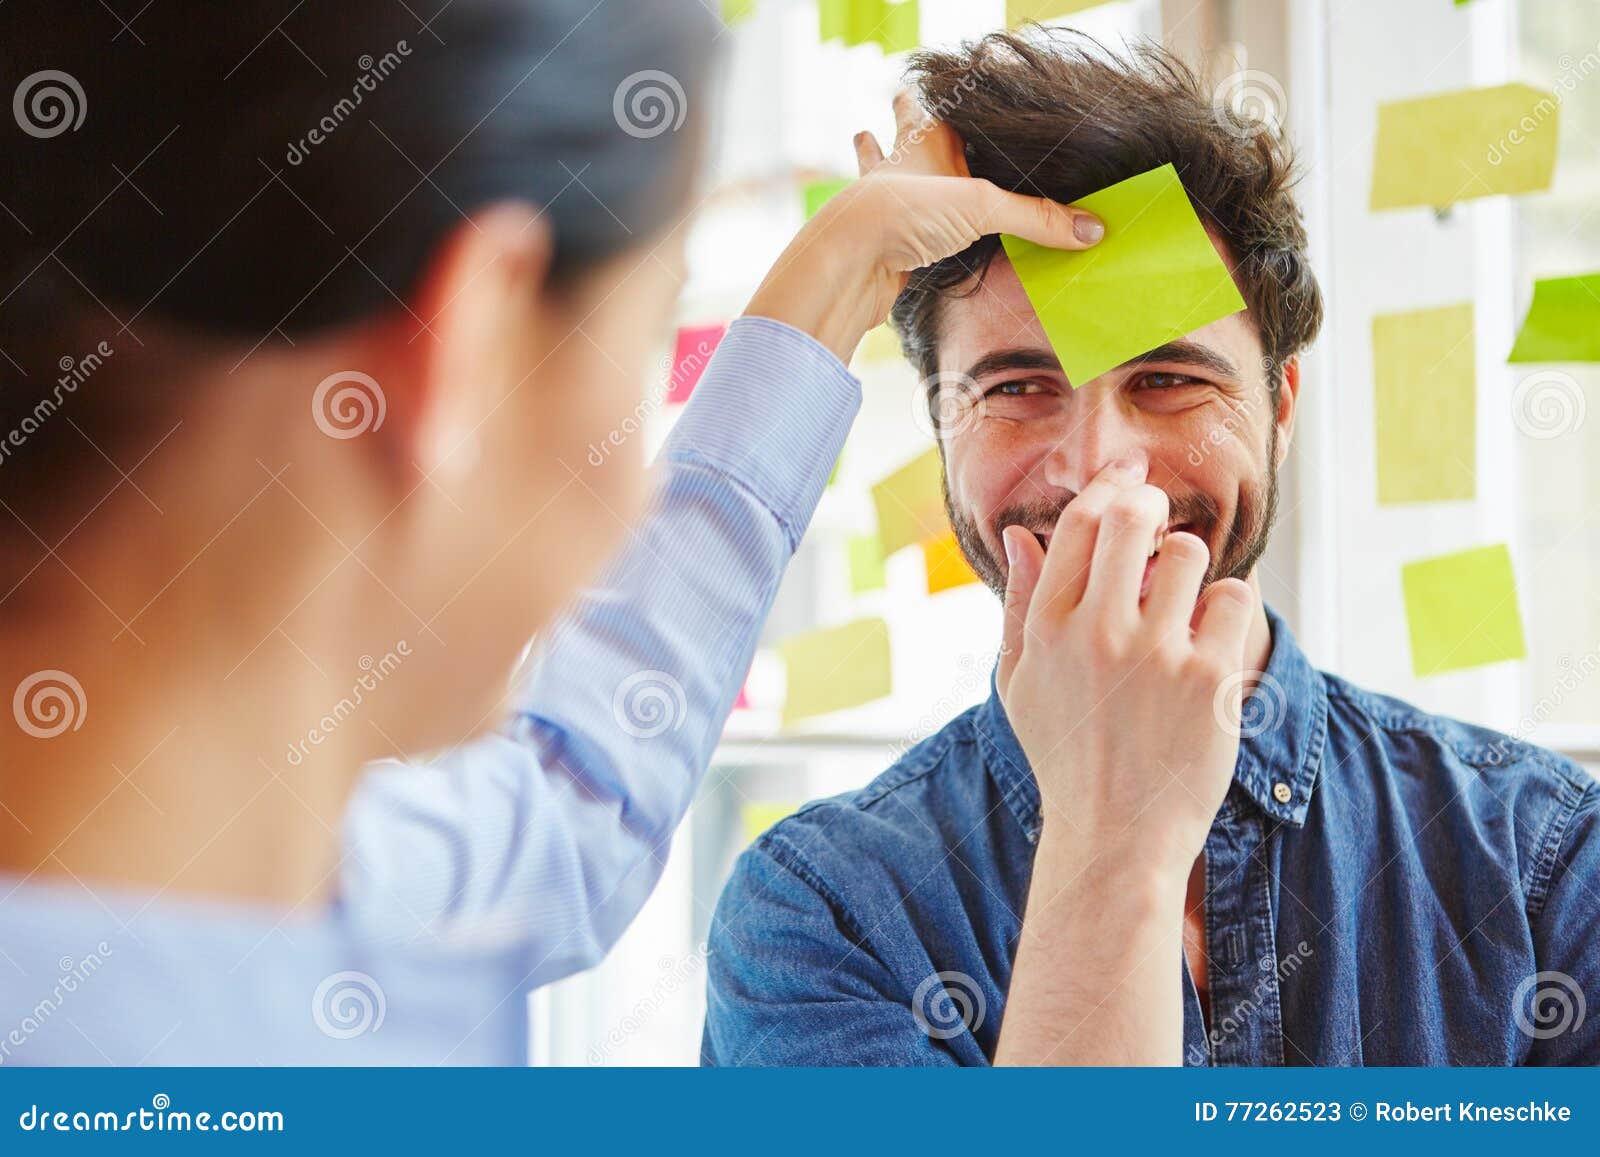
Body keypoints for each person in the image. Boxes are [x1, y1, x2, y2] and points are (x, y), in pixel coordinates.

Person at [0, 3, 1105, 1063]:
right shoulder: (827, 903)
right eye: (639, 349)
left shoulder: (300, 869)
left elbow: (576, 796)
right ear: (468, 349)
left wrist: (842, 269)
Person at [702, 30, 1600, 1067]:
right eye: (1016, 387)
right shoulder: (821, 915)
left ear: (1279, 406)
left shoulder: (1548, 865)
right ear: (943, 427)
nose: (1100, 474)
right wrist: (1113, 831)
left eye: (1168, 381)